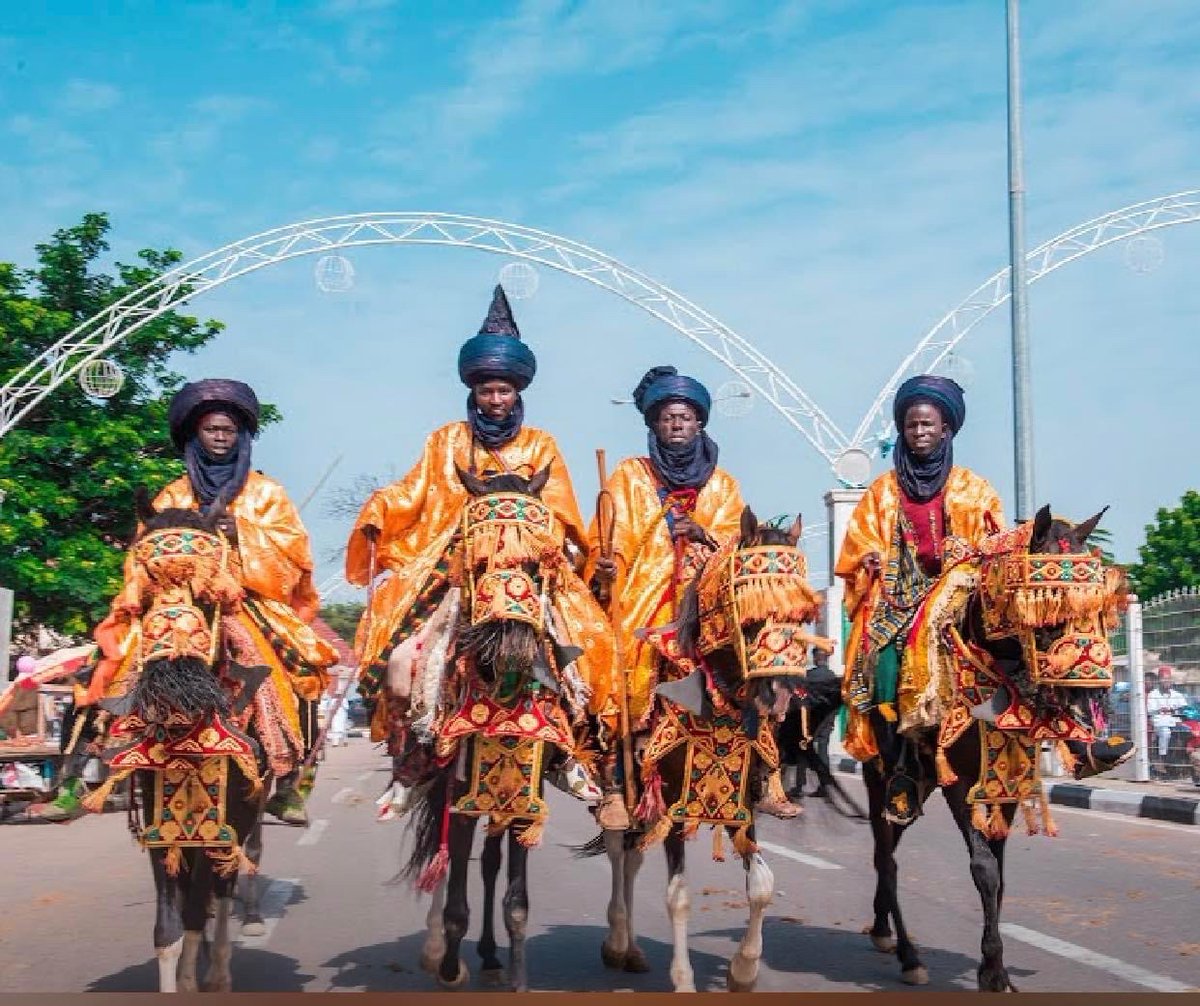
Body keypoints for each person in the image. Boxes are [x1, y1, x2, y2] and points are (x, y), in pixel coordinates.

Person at [346, 285, 614, 805]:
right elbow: (415, 489)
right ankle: (412, 758)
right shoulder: (446, 439)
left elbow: (561, 510)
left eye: (504, 391)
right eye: (487, 391)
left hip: (530, 563)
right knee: (397, 653)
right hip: (458, 560)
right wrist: (382, 509)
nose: (495, 400)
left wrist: (575, 550)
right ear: (474, 392)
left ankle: (572, 756)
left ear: (518, 394)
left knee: (591, 648)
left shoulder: (541, 443)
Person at [35, 379, 336, 825]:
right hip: (170, 600)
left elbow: (293, 554)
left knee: (302, 665)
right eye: (211, 429)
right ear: (195, 435)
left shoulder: (265, 493)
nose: (219, 436)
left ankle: (291, 784)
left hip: (245, 600)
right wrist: (147, 586)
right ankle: (71, 779)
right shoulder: (173, 494)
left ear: (242, 437)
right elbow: (140, 551)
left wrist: (244, 537)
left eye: (227, 430)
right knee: (103, 664)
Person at [587, 365, 799, 822]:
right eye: (666, 417)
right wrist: (609, 563)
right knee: (619, 660)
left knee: (761, 651)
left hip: (709, 592)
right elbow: (615, 534)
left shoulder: (723, 484)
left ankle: (765, 772)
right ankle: (614, 779)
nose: (676, 424)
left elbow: (737, 544)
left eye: (684, 416)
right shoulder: (630, 475)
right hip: (648, 588)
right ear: (653, 424)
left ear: (699, 422)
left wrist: (702, 532)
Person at [836, 375, 1003, 822]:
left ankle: (1063, 739)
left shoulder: (975, 489)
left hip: (960, 599)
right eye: (911, 425)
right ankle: (904, 768)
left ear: (946, 428)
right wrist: (868, 558)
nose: (919, 432)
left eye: (927, 424)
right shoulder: (882, 491)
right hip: (899, 602)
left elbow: (996, 546)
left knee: (1015, 651)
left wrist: (969, 560)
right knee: (884, 664)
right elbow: (856, 547)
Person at [1146, 666, 1188, 776]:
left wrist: (1175, 711)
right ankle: (1163, 759)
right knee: (1165, 733)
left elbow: (1185, 708)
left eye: (1168, 679)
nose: (1166, 682)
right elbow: (1151, 711)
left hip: (1176, 722)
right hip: (1161, 723)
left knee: (1188, 731)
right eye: (1163, 679)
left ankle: (1186, 762)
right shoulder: (1153, 695)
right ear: (1159, 680)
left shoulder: (1177, 695)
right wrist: (1162, 710)